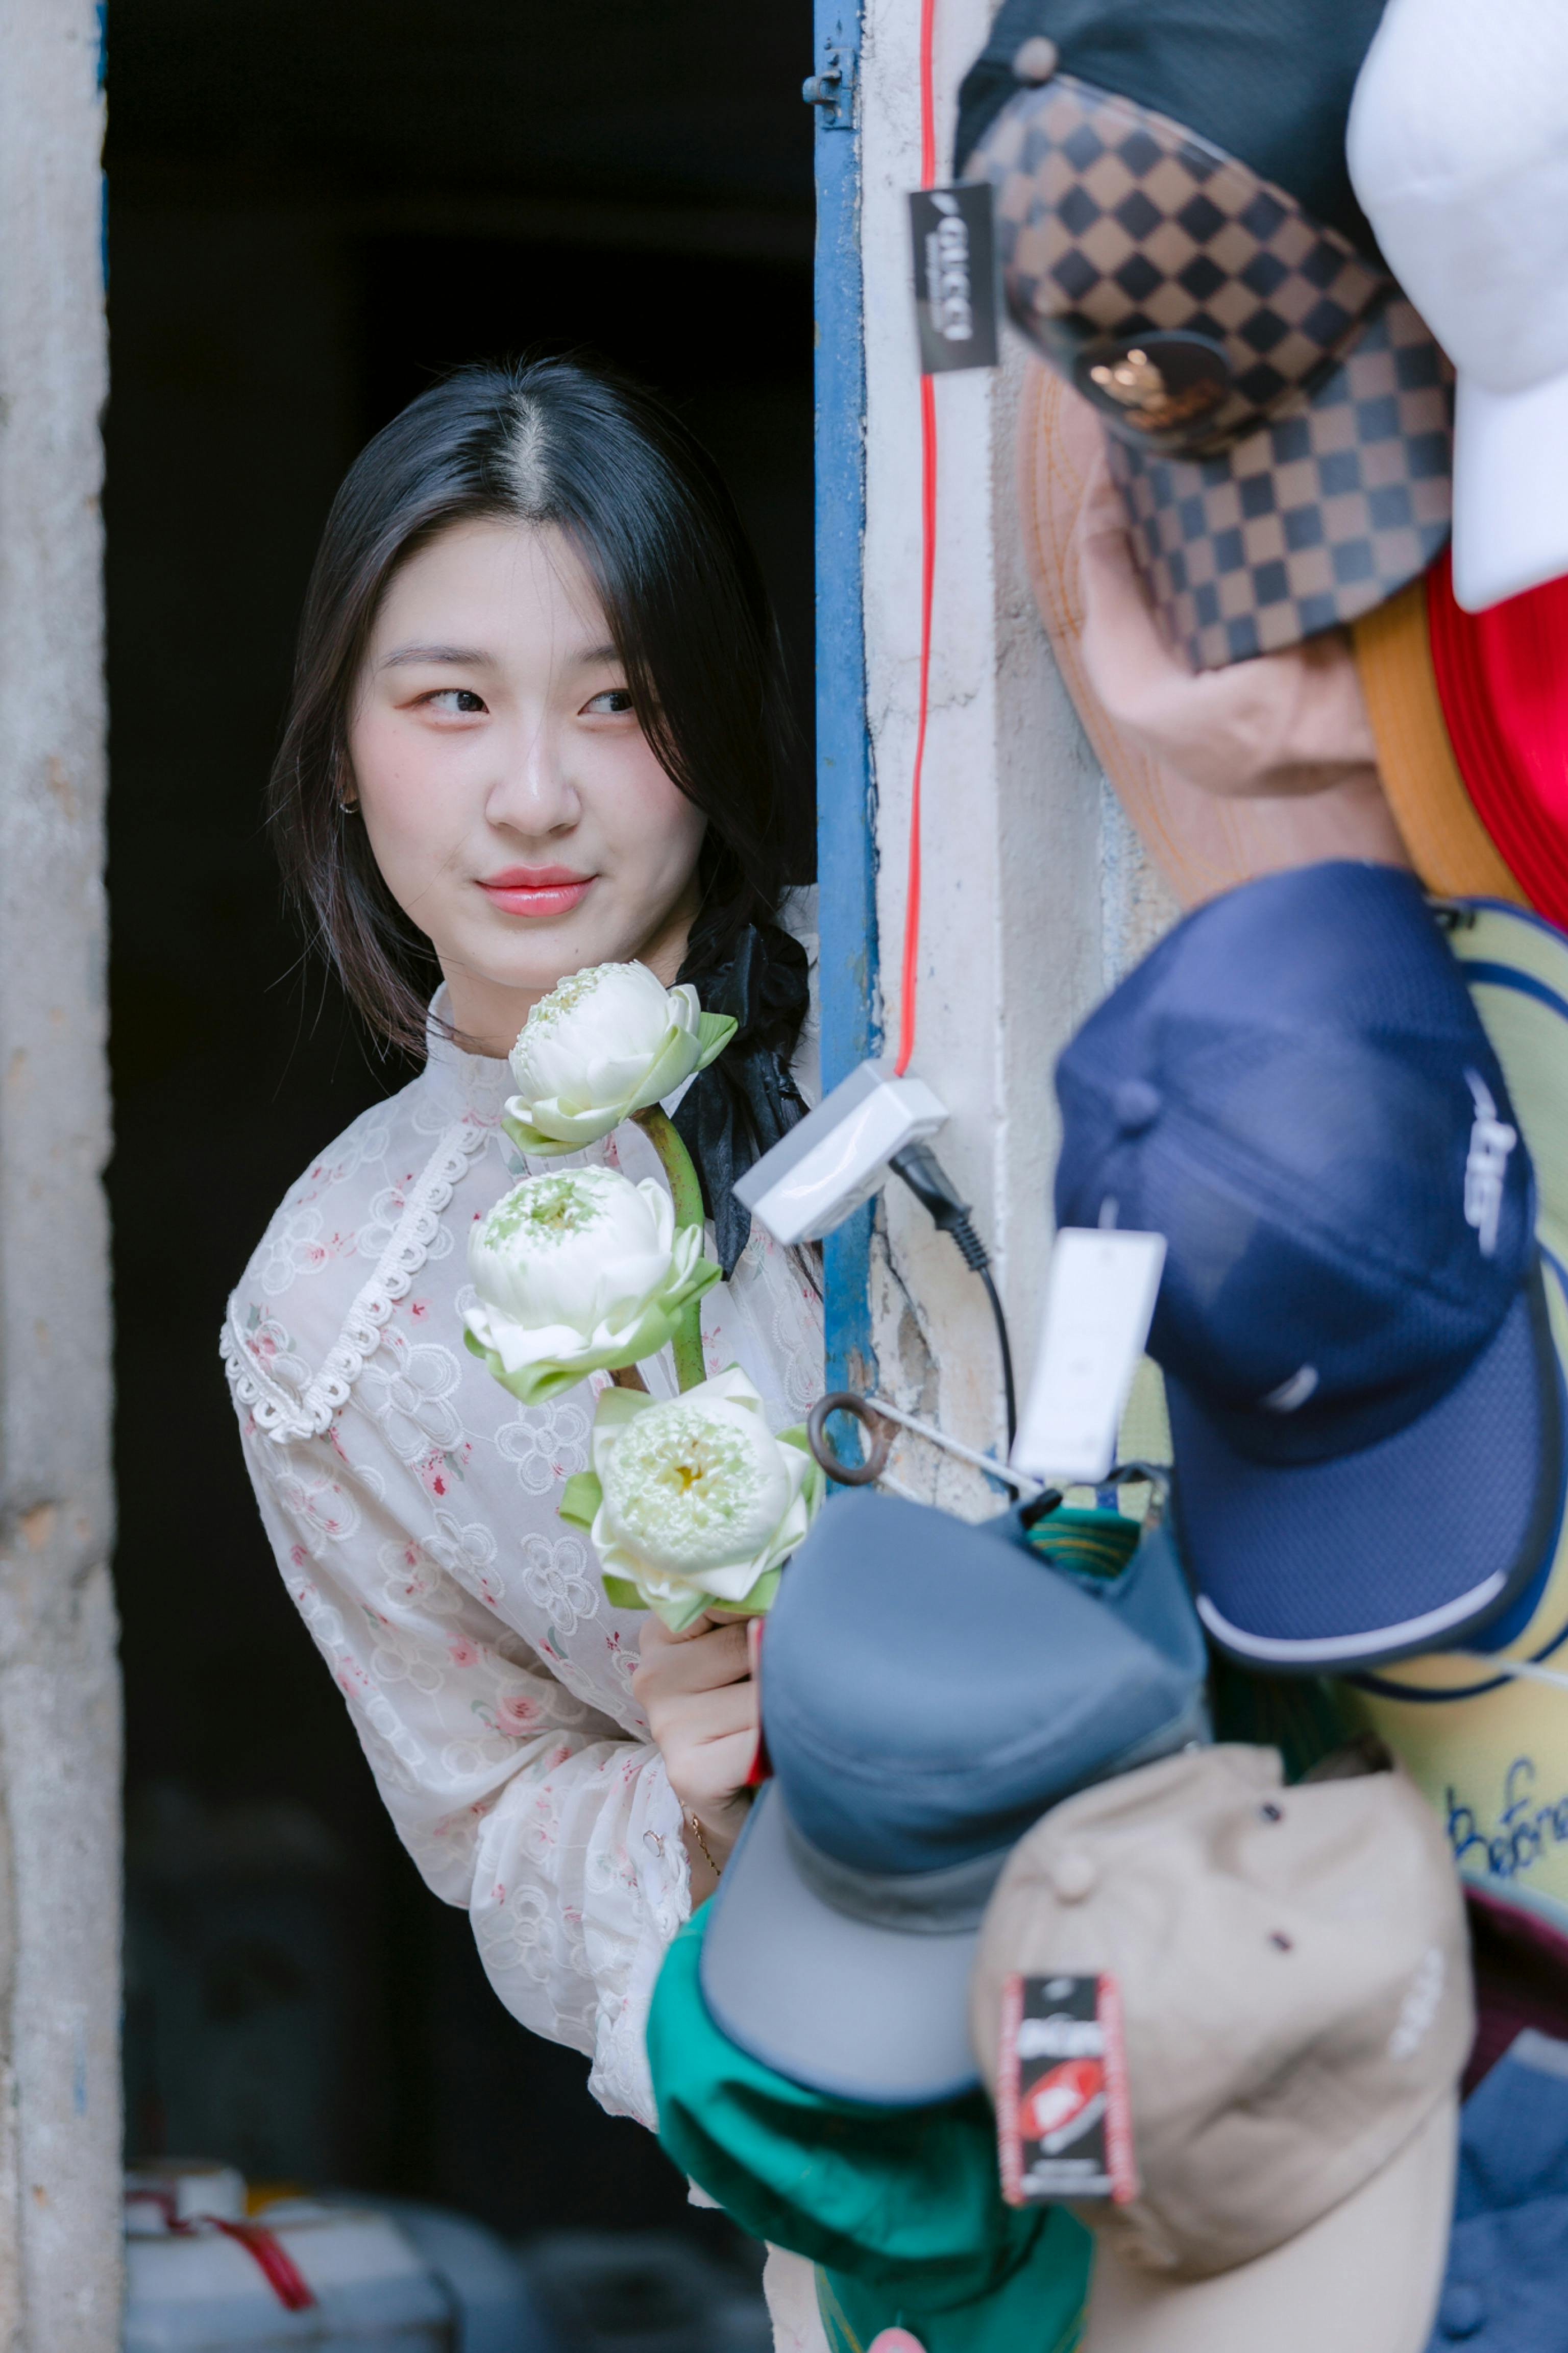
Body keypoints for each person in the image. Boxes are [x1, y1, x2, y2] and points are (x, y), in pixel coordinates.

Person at [220, 358, 824, 2300]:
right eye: (452, 702)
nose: (536, 793)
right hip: (856, 2102)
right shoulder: (329, 1312)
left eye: (622, 697)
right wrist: (697, 1797)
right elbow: (494, 1820)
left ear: (717, 716)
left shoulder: (923, 1032)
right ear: (343, 747)